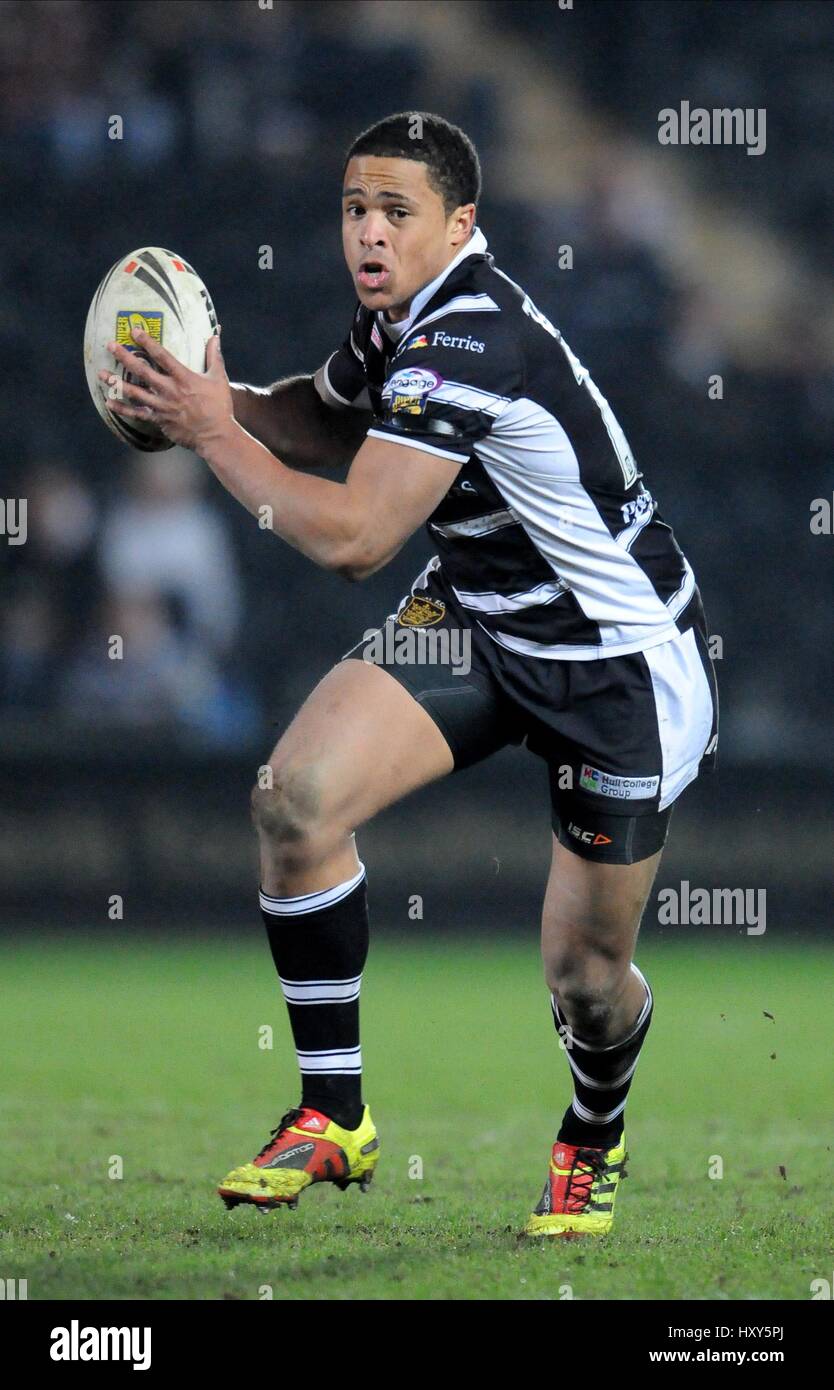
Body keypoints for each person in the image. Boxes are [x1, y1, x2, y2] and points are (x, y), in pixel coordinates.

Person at [100, 110, 718, 1238]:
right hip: (479, 618)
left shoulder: (469, 338)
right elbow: (325, 425)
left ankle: (593, 1132)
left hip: (616, 665)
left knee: (583, 981)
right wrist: (212, 400)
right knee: (295, 800)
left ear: (461, 226)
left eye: (396, 212)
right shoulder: (404, 319)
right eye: (354, 209)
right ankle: (335, 1114)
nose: (368, 233)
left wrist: (210, 437)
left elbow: (354, 538)